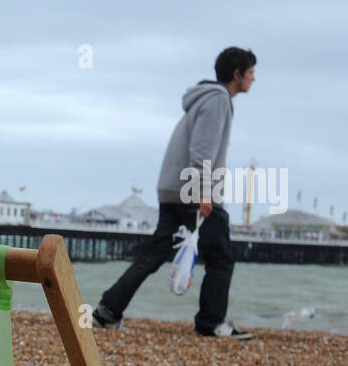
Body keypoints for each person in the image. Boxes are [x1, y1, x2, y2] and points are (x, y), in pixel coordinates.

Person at [94, 47, 257, 338]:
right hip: (192, 190)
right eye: (251, 73)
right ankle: (211, 323)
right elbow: (202, 149)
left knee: (154, 254)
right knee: (221, 258)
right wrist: (204, 193)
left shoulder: (201, 99)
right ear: (237, 74)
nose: (253, 79)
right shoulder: (218, 100)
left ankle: (107, 311)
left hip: (172, 187)